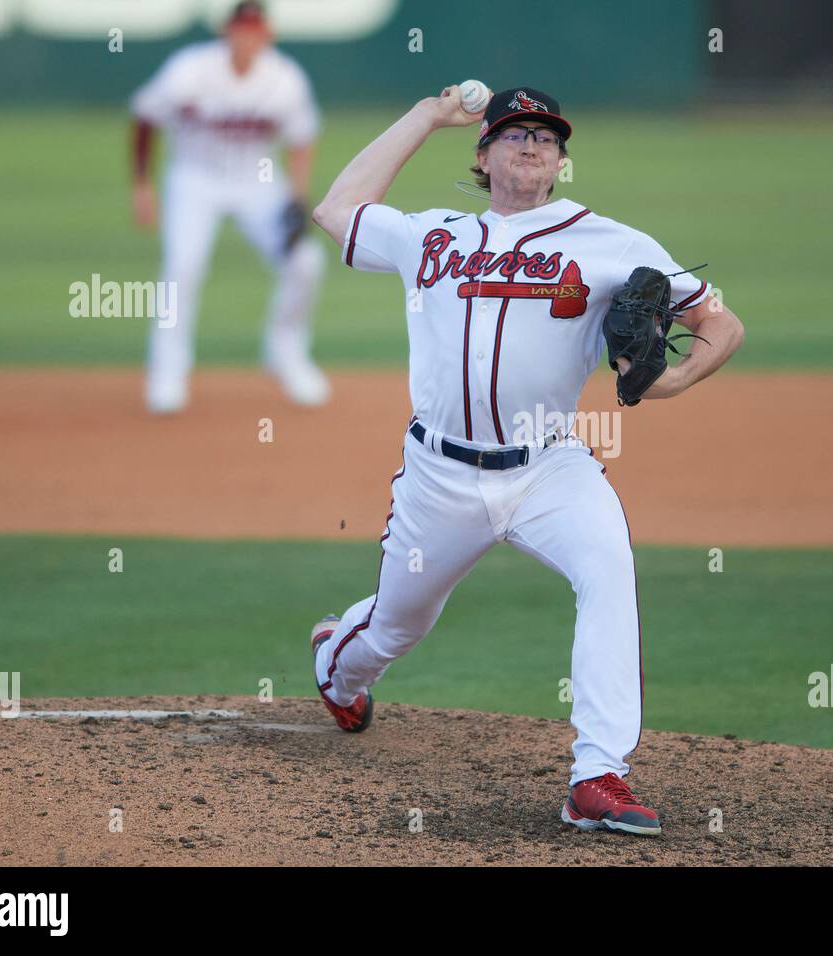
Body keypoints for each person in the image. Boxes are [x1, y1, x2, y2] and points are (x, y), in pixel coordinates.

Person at [307, 85, 745, 836]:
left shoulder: (611, 244)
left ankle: (598, 776)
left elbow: (719, 320)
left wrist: (670, 380)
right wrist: (424, 116)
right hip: (439, 478)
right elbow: (336, 210)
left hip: (550, 468)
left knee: (608, 570)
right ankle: (336, 668)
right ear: (484, 156)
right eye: (515, 133)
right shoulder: (431, 236)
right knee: (393, 629)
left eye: (547, 136)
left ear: (561, 160)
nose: (533, 144)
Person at [130, 0, 328, 414]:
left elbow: (302, 138)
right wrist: (143, 184)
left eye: (255, 31)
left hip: (257, 181)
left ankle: (286, 353)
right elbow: (146, 114)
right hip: (193, 178)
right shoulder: (190, 69)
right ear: (228, 31)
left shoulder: (285, 78)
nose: (247, 38)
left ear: (267, 35)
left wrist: (296, 198)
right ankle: (168, 372)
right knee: (182, 267)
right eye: (241, 29)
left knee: (306, 261)